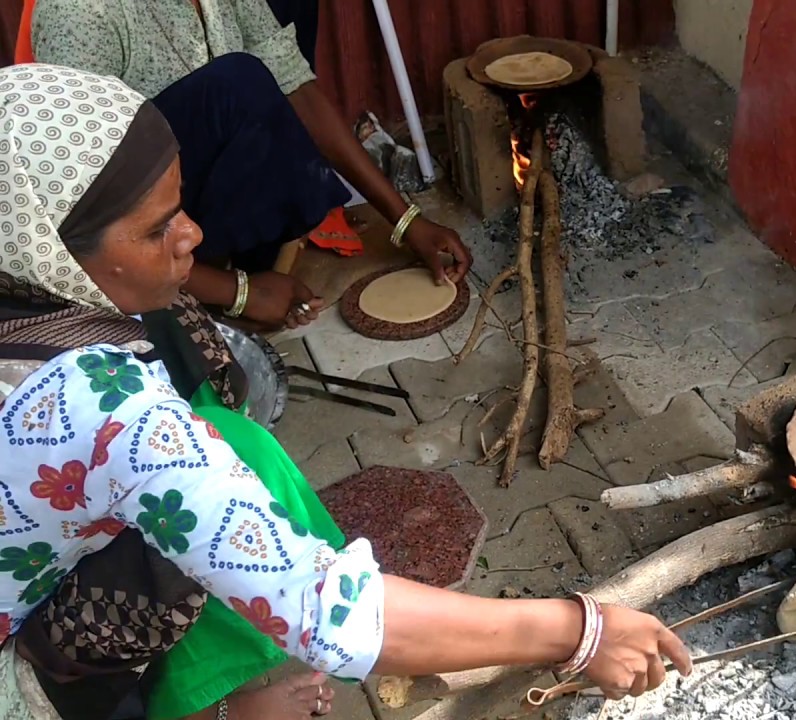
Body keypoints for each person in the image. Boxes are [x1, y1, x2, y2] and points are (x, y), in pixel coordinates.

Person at [0, 64, 691, 720]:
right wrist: (583, 630)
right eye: (157, 230)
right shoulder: (100, 410)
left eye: (179, 209)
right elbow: (331, 613)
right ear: (50, 246)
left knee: (227, 444)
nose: (194, 236)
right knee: (214, 495)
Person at [23, 0, 473, 331]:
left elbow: (296, 87)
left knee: (254, 73)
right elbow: (85, 221)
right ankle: (200, 296)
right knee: (235, 82)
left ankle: (249, 262)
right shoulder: (79, 14)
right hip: (135, 236)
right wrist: (238, 293)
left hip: (196, 193)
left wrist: (406, 220)